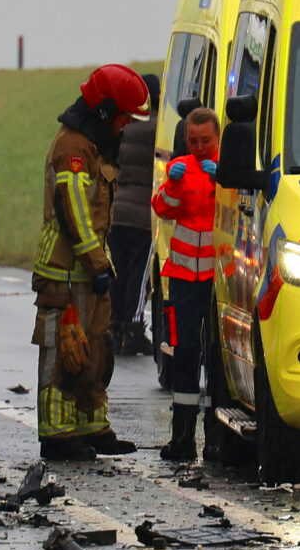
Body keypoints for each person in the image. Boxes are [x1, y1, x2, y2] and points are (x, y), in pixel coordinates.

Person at [33, 63, 150, 460]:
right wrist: (98, 263)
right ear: (104, 111)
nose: (125, 125)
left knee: (95, 350)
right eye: (123, 117)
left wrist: (100, 265)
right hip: (65, 273)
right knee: (65, 352)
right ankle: (57, 437)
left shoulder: (94, 145)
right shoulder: (74, 149)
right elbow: (73, 212)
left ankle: (92, 427)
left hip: (88, 269)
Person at [153, 108, 222, 461]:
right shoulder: (179, 168)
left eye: (205, 141)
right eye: (192, 141)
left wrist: (223, 182)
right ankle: (182, 438)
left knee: (216, 358)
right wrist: (174, 183)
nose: (198, 147)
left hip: (217, 280)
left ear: (218, 138)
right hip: (182, 278)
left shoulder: (227, 170)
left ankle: (217, 439)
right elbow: (162, 208)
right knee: (184, 355)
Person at [109, 73, 161, 355]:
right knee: (140, 276)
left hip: (118, 210)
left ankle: (114, 326)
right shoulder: (158, 129)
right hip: (143, 214)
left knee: (118, 270)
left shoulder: (124, 126)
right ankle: (134, 327)